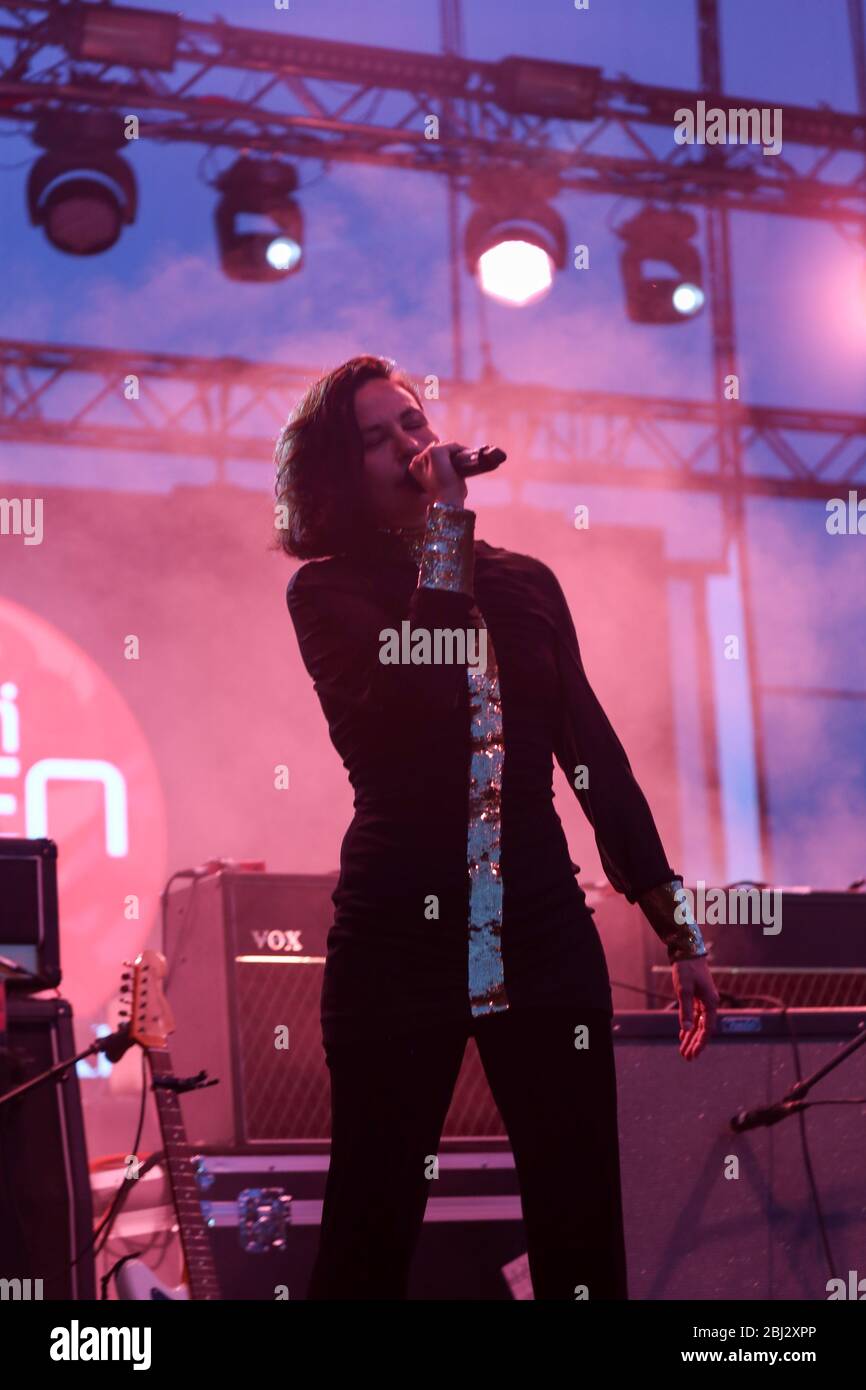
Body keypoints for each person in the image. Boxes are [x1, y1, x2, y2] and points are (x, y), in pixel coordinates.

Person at [275, 354, 719, 1301]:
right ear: (339, 473)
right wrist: (445, 535)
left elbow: (593, 755)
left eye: (413, 418)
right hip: (403, 931)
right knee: (370, 1221)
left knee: (580, 1216)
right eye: (379, 435)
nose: (411, 441)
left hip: (540, 925)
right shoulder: (327, 596)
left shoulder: (525, 586)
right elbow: (413, 706)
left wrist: (678, 926)